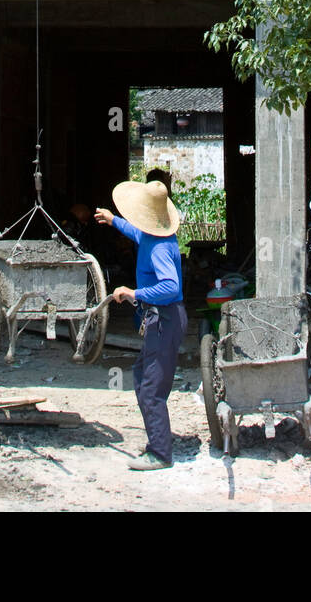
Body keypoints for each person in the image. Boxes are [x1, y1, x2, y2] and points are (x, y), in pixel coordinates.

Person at [95, 179, 187, 470]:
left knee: (150, 388)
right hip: (160, 318)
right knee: (142, 376)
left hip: (165, 318)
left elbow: (170, 286)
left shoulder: (160, 248)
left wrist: (133, 293)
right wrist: (113, 221)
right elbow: (137, 234)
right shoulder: (152, 236)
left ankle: (160, 454)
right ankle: (159, 440)